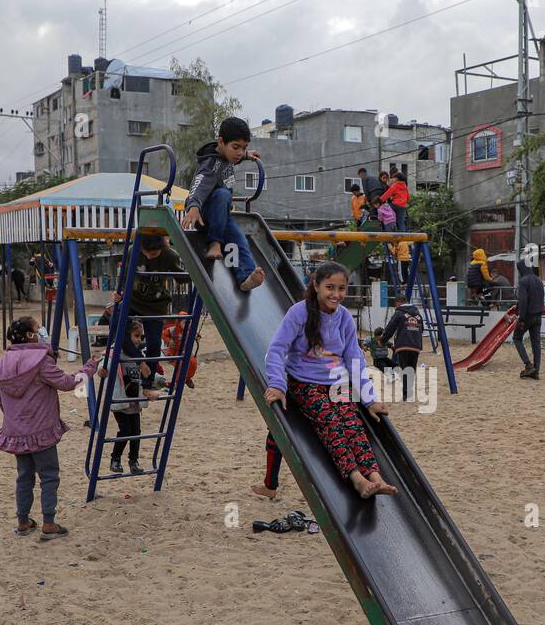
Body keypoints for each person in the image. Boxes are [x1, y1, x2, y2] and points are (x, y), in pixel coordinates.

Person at [263, 262, 397, 499]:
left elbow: (354, 358)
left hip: (338, 383)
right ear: (316, 285)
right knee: (331, 424)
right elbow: (276, 350)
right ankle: (357, 479)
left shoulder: (344, 317)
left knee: (353, 425)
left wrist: (369, 399)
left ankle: (375, 477)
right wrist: (277, 384)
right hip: (305, 383)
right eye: (330, 287)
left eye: (342, 288)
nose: (336, 294)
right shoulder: (299, 313)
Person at [0, 316, 100, 539]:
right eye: (38, 327)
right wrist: (90, 367)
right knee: (49, 476)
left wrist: (15, 418)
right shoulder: (40, 361)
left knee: (24, 477)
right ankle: (49, 523)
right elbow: (68, 383)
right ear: (31, 335)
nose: (42, 331)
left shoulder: (3, 362)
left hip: (16, 432)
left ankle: (23, 522)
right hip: (40, 429)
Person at [182, 116, 265, 291]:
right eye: (236, 147)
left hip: (220, 217)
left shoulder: (228, 155)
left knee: (239, 239)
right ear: (221, 141)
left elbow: (234, 155)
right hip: (203, 215)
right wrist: (194, 205)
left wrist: (247, 156)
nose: (239, 152)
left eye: (244, 148)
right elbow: (200, 184)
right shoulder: (210, 163)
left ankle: (245, 278)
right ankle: (215, 244)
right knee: (222, 194)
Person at [98, 319, 167, 475]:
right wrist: (102, 371)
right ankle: (115, 459)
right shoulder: (116, 351)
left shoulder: (140, 355)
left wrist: (161, 380)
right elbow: (105, 365)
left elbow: (148, 372)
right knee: (125, 430)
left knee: (136, 431)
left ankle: (133, 460)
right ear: (126, 335)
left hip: (134, 402)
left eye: (141, 337)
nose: (139, 340)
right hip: (120, 400)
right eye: (136, 336)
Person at [113, 235, 186, 370]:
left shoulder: (169, 255)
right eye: (145, 253)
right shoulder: (133, 251)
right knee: (116, 323)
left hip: (155, 305)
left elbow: (182, 278)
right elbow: (124, 275)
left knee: (154, 345)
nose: (148, 257)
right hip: (133, 300)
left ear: (162, 248)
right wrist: (120, 291)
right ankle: (139, 360)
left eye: (153, 254)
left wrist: (195, 270)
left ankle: (148, 383)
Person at [381, 298, 423, 401]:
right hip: (416, 345)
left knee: (404, 368)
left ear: (399, 303)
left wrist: (383, 340)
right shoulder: (418, 314)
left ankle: (406, 394)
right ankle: (409, 391)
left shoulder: (399, 313)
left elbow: (391, 327)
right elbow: (422, 329)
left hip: (403, 344)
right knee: (411, 368)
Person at [512, 260, 545, 380]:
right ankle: (536, 371)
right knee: (536, 342)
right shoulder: (539, 281)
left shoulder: (523, 281)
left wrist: (521, 318)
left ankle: (528, 365)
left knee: (516, 338)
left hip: (528, 315)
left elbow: (523, 301)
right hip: (538, 315)